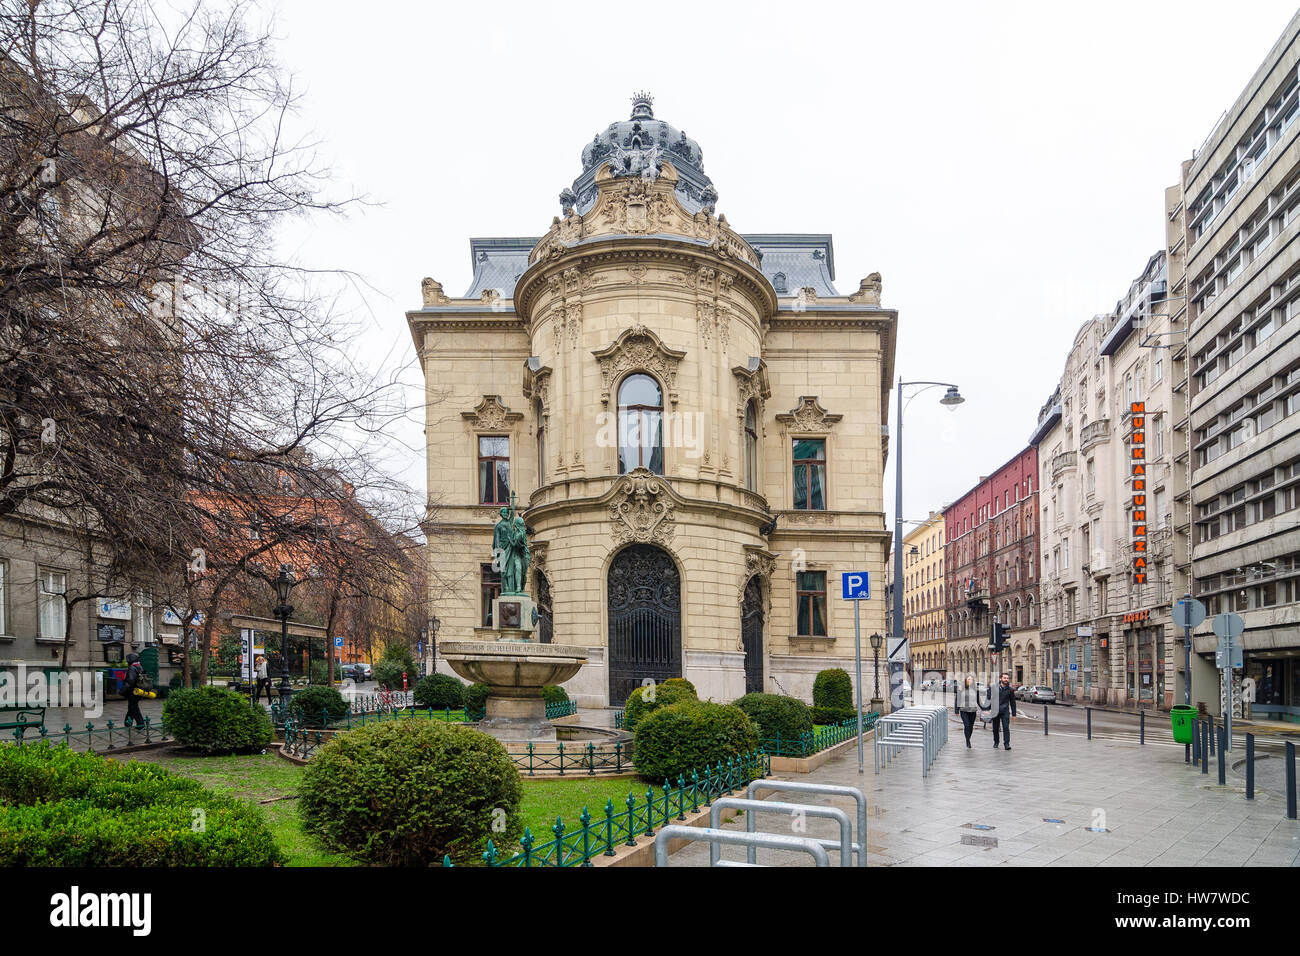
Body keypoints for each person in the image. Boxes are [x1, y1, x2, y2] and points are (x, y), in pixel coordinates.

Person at [992, 672, 1017, 750]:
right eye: (1004, 678)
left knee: (1006, 727)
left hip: (1005, 711)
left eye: (1007, 678)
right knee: (995, 728)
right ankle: (996, 742)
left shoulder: (1010, 690)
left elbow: (1013, 702)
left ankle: (1007, 744)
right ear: (1000, 679)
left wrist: (1014, 714)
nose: (1006, 679)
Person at [122, 652, 145, 727]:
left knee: (134, 708)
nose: (127, 661)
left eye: (128, 660)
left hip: (133, 691)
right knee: (131, 707)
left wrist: (123, 690)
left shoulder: (132, 667)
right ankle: (128, 723)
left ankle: (140, 724)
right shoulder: (139, 666)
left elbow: (130, 680)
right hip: (139, 690)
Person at [956, 676, 981, 747]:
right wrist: (956, 710)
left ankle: (968, 738)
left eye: (972, 679)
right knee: (966, 725)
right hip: (964, 710)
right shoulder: (961, 688)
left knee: (971, 726)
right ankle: (968, 741)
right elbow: (957, 699)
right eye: (969, 679)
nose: (970, 680)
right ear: (966, 680)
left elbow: (978, 701)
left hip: (973, 710)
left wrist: (985, 708)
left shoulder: (975, 689)